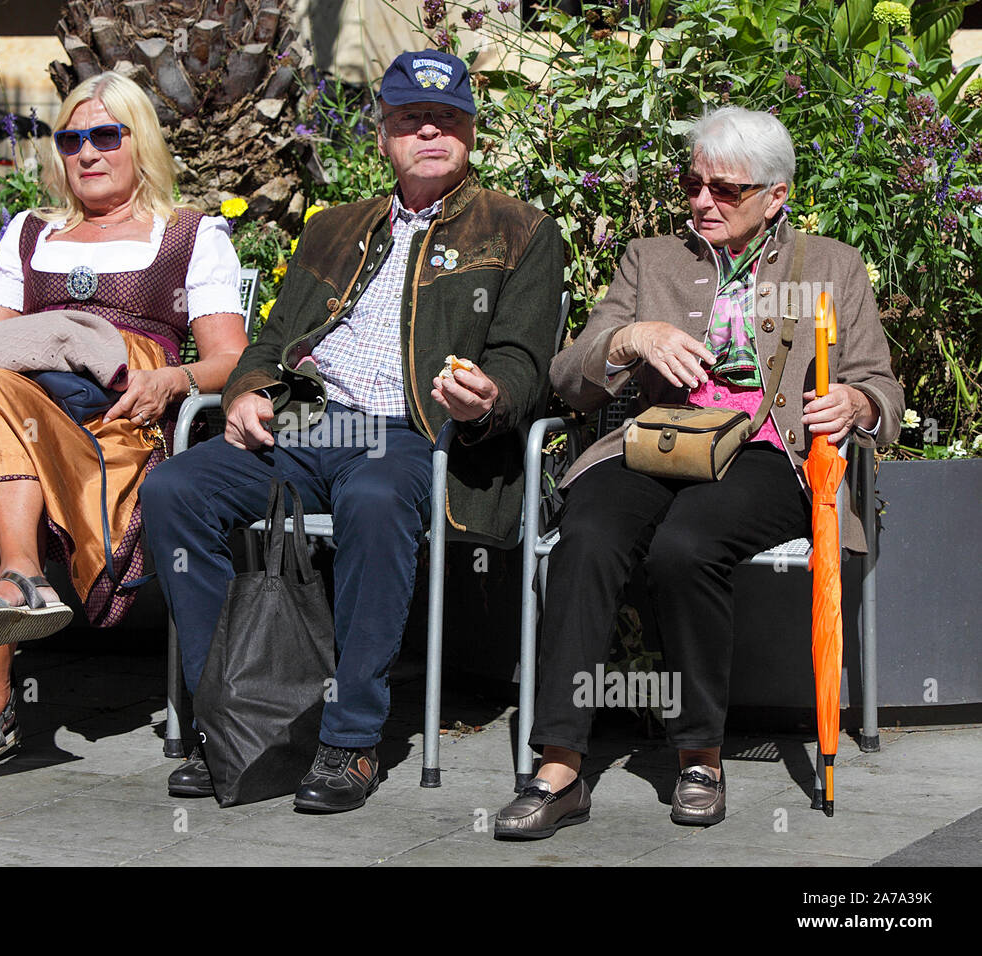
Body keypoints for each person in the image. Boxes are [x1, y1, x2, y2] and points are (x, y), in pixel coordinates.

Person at [141, 49, 564, 812]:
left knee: (373, 499)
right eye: (409, 120)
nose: (429, 132)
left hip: (411, 433)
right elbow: (269, 345)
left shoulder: (521, 231)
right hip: (305, 424)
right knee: (175, 487)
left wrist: (485, 396)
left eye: (446, 120)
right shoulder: (333, 228)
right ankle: (231, 723)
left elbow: (525, 362)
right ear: (382, 138)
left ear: (471, 132)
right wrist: (245, 390)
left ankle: (350, 738)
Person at [493, 106, 905, 839]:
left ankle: (699, 755)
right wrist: (630, 337)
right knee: (587, 533)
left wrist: (855, 401)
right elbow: (570, 376)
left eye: (727, 190)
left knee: (686, 548)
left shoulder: (830, 265)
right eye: (693, 185)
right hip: (656, 442)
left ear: (776, 195)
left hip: (766, 453)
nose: (703, 203)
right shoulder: (651, 261)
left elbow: (881, 386)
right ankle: (558, 765)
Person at [0, 70, 249, 777]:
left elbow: (231, 362)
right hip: (24, 414)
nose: (87, 152)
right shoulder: (30, 234)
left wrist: (174, 377)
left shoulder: (187, 235)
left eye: (105, 135)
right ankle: (17, 584)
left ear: (138, 142)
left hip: (119, 430)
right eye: (71, 138)